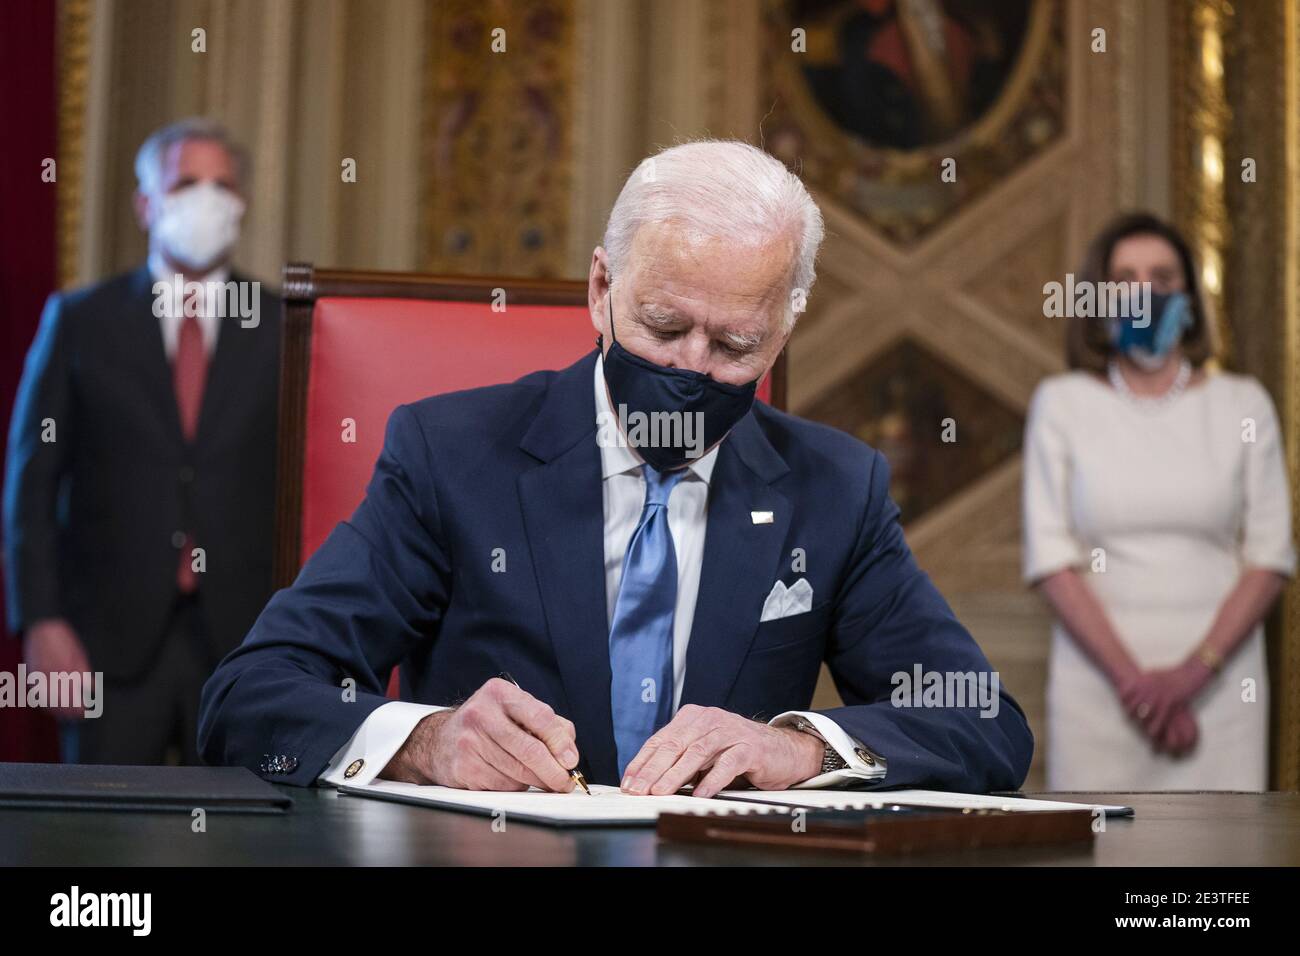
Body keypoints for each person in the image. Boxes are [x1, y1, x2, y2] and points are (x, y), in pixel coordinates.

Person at [199, 140, 1032, 797]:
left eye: (736, 345)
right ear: (601, 288)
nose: (692, 370)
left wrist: (800, 746)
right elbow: (250, 695)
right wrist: (427, 741)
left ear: (781, 335)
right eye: (664, 328)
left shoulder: (835, 489)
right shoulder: (451, 454)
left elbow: (983, 722)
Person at [3, 118, 281, 765]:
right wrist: (41, 621)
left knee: (246, 845)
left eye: (223, 184)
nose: (207, 199)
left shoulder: (280, 326)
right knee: (99, 839)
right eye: (187, 182)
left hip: (248, 644)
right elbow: (32, 483)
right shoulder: (81, 320)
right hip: (106, 642)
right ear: (145, 203)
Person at [1023, 211, 1296, 790]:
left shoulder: (1244, 405)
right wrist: (1137, 686)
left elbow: (1270, 558)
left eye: (1163, 277)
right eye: (1125, 277)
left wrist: (1189, 679)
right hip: (1099, 694)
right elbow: (1052, 560)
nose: (1143, 293)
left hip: (1221, 694)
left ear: (1190, 296)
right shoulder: (1062, 403)